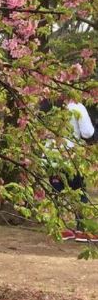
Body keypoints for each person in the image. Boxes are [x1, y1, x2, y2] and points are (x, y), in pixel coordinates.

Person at [47, 100, 95, 241]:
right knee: (79, 191)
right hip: (71, 157)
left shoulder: (47, 103)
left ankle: (59, 227)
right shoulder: (77, 107)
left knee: (57, 191)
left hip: (51, 156)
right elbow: (87, 132)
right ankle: (81, 228)